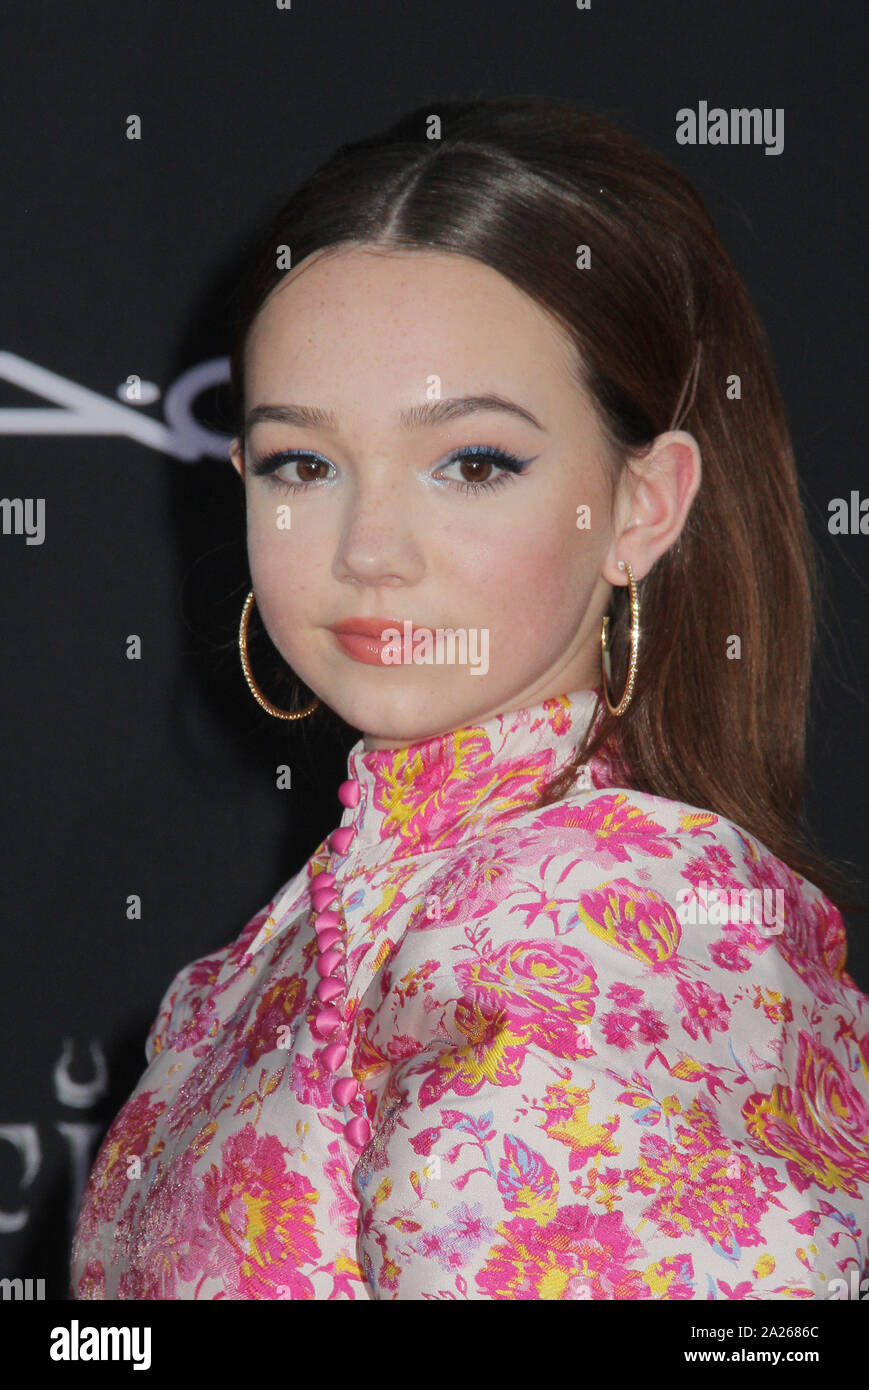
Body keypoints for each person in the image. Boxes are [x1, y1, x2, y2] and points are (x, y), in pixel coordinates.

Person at [70, 97, 869, 1300]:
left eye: (473, 462)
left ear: (640, 506)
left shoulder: (606, 920)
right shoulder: (289, 941)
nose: (369, 547)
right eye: (303, 462)